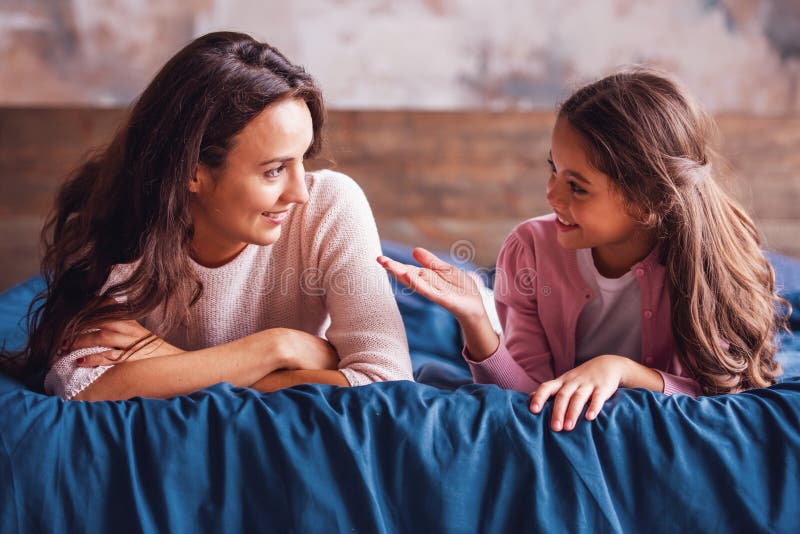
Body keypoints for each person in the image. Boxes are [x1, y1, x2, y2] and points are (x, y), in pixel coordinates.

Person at [6, 31, 412, 400]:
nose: (299, 192)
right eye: (273, 170)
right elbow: (81, 385)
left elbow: (388, 387)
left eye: (301, 160)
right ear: (191, 173)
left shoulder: (331, 205)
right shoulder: (118, 223)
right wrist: (277, 348)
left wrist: (167, 358)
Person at [378, 68, 784, 431]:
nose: (551, 194)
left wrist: (622, 371)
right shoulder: (529, 249)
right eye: (553, 168)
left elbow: (722, 392)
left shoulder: (707, 265)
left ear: (648, 201)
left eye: (577, 186)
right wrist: (475, 321)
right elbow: (526, 396)